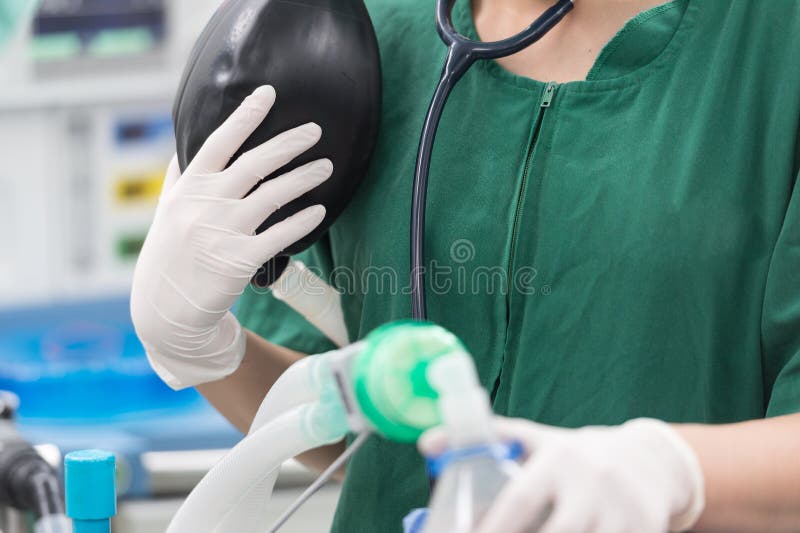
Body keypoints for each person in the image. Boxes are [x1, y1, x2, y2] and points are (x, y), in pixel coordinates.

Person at [131, 0, 800, 531]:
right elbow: (345, 432)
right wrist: (206, 348)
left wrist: (672, 474)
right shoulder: (353, 31)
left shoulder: (772, 48)